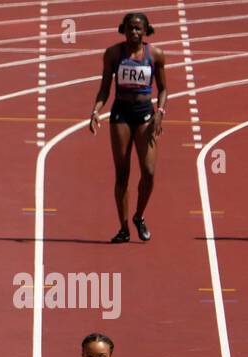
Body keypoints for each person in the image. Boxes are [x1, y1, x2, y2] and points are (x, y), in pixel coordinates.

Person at [89, 12, 168, 243]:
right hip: (121, 114)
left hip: (145, 115)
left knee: (149, 172)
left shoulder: (155, 54)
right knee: (122, 173)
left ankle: (139, 216)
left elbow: (163, 89)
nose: (134, 32)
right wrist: (96, 111)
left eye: (138, 28)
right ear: (123, 29)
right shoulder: (113, 54)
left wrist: (160, 113)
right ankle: (123, 228)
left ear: (145, 31)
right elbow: (104, 87)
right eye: (130, 28)